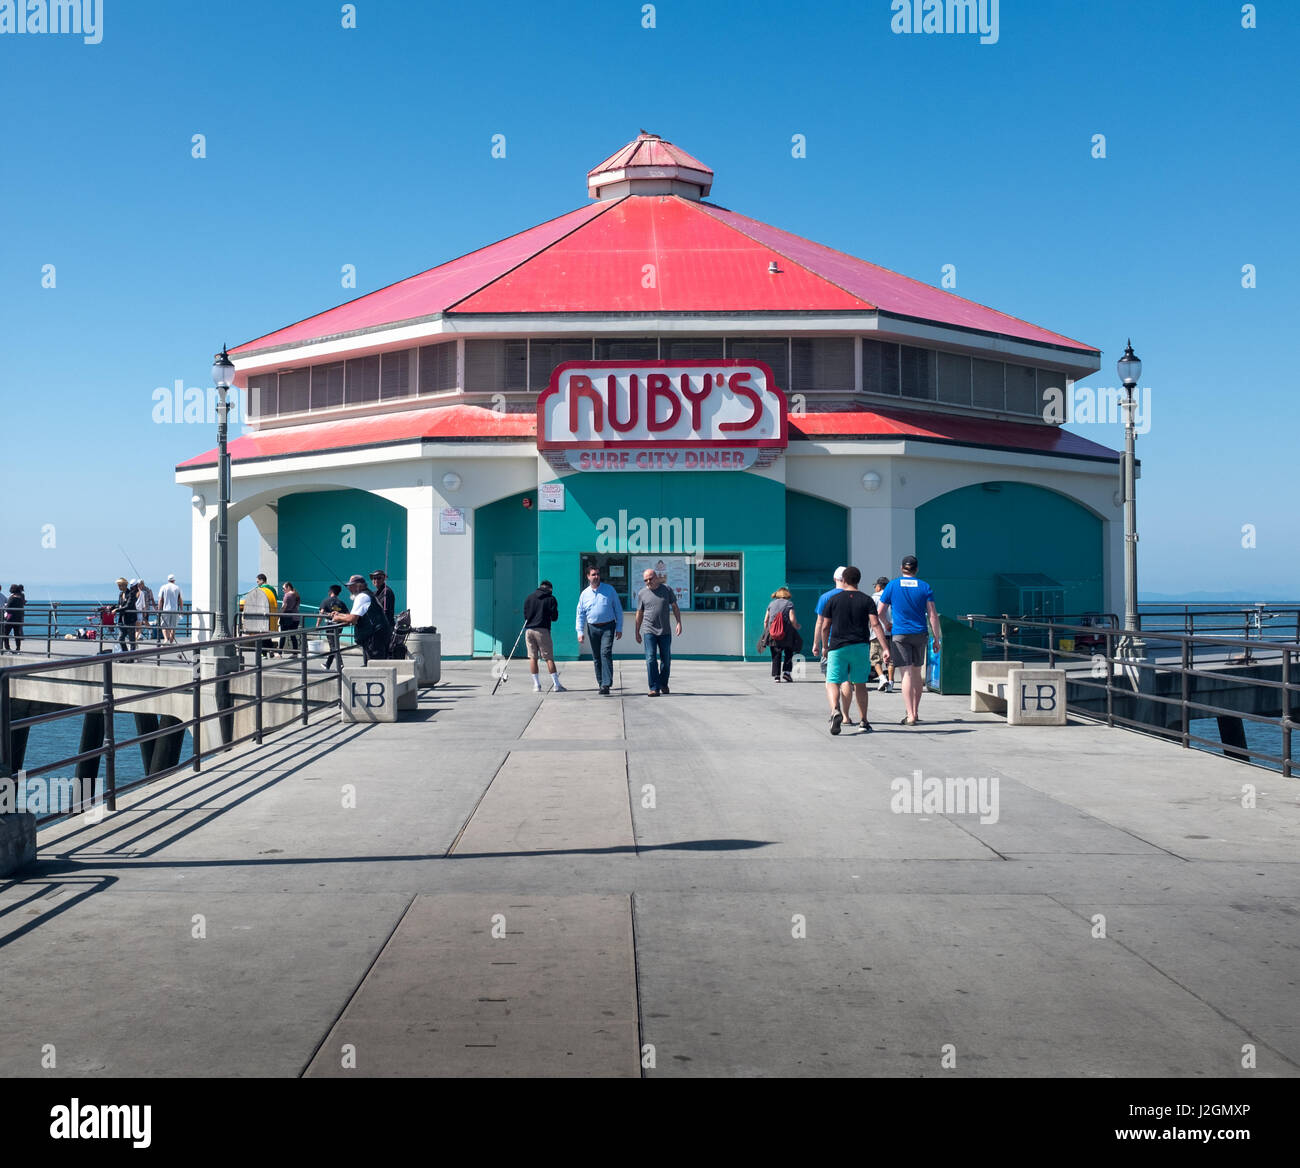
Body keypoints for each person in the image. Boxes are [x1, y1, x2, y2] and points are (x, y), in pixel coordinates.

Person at [820, 566, 890, 735]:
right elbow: (875, 624)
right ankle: (864, 721)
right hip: (860, 646)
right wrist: (885, 648)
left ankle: (835, 710)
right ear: (858, 580)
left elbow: (825, 626)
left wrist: (825, 646)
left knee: (833, 681)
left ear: (843, 580)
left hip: (837, 647)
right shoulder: (866, 600)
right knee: (860, 684)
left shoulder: (833, 600)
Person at [877, 554, 942, 727]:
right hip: (920, 633)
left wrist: (887, 624)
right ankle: (916, 711)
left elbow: (880, 612)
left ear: (901, 568)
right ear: (917, 569)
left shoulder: (892, 585)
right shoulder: (925, 587)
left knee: (905, 674)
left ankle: (910, 714)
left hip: (900, 634)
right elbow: (933, 615)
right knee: (916, 674)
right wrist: (937, 638)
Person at [811, 567, 858, 726]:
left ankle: (834, 709)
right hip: (852, 642)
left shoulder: (825, 597)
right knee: (846, 680)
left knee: (831, 679)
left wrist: (816, 643)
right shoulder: (856, 596)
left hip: (831, 643)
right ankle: (846, 716)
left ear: (835, 579)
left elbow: (820, 623)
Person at [634, 567, 682, 696]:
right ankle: (654, 687)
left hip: (665, 631)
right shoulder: (642, 593)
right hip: (649, 631)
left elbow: (675, 607)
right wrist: (637, 631)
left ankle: (663, 684)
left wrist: (679, 623)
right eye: (645, 580)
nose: (648, 582)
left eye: (650, 579)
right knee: (650, 659)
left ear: (656, 578)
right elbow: (639, 613)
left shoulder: (666, 589)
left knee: (666, 661)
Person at [575, 565, 623, 694]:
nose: (596, 577)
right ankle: (601, 682)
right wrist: (580, 632)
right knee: (596, 657)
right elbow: (580, 614)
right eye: (593, 574)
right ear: (588, 577)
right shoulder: (584, 594)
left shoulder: (609, 590)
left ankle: (606, 684)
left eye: (597, 574)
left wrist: (619, 627)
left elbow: (618, 609)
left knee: (605, 653)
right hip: (593, 628)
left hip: (608, 626)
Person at [331, 574, 391, 664]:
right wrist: (341, 615)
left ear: (359, 586)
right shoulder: (368, 594)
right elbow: (356, 615)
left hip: (374, 637)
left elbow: (353, 618)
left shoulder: (362, 597)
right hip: (379, 634)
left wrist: (337, 617)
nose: (349, 589)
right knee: (377, 664)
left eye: (351, 586)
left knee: (375, 666)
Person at [523, 580, 565, 693]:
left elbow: (526, 615)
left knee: (533, 658)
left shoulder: (529, 598)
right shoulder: (551, 599)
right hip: (542, 631)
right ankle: (556, 685)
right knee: (548, 658)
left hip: (529, 630)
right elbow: (554, 617)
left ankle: (536, 685)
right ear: (550, 589)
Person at [763, 586, 801, 682]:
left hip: (773, 634)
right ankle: (787, 673)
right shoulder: (789, 604)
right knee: (789, 652)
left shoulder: (771, 604)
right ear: (787, 595)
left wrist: (767, 632)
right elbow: (792, 619)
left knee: (776, 655)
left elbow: (765, 620)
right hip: (787, 634)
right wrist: (797, 626)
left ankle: (776, 676)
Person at [870, 576, 894, 692]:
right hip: (892, 632)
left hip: (877, 633)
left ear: (879, 586)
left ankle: (882, 678)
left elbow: (870, 616)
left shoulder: (874, 598)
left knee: (876, 659)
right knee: (891, 660)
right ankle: (891, 682)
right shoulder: (893, 597)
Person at [318, 584, 348, 669]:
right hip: (339, 626)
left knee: (333, 645)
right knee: (334, 644)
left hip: (330, 625)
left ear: (331, 591)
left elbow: (321, 613)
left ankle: (340, 664)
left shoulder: (325, 601)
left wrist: (317, 625)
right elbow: (348, 614)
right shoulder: (341, 603)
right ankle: (327, 664)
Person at [158, 574, 183, 644]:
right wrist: (181, 609)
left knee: (164, 626)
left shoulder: (163, 587)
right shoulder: (177, 588)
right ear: (174, 580)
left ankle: (166, 639)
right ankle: (171, 642)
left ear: (168, 580)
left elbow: (160, 600)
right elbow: (180, 600)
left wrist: (159, 610)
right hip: (174, 610)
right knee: (173, 627)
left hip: (165, 609)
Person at [115, 577, 137, 652]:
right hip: (122, 619)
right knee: (120, 638)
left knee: (131, 640)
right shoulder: (121, 594)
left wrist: (117, 609)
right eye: (118, 585)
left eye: (120, 585)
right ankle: (125, 653)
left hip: (130, 619)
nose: (119, 587)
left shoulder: (131, 594)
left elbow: (128, 606)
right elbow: (119, 605)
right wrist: (111, 608)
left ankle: (131, 657)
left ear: (124, 585)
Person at [2, 584, 25, 654]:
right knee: (17, 634)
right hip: (18, 618)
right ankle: (18, 649)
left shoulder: (11, 598)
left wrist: (4, 606)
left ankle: (7, 648)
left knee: (5, 633)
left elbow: (7, 608)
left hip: (10, 618)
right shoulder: (20, 598)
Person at [279, 582, 302, 655]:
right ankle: (295, 653)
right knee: (293, 635)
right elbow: (297, 607)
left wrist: (279, 614)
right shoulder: (296, 595)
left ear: (288, 587)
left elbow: (284, 607)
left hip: (287, 617)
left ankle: (279, 653)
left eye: (283, 588)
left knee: (283, 636)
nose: (283, 590)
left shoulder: (287, 595)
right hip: (296, 618)